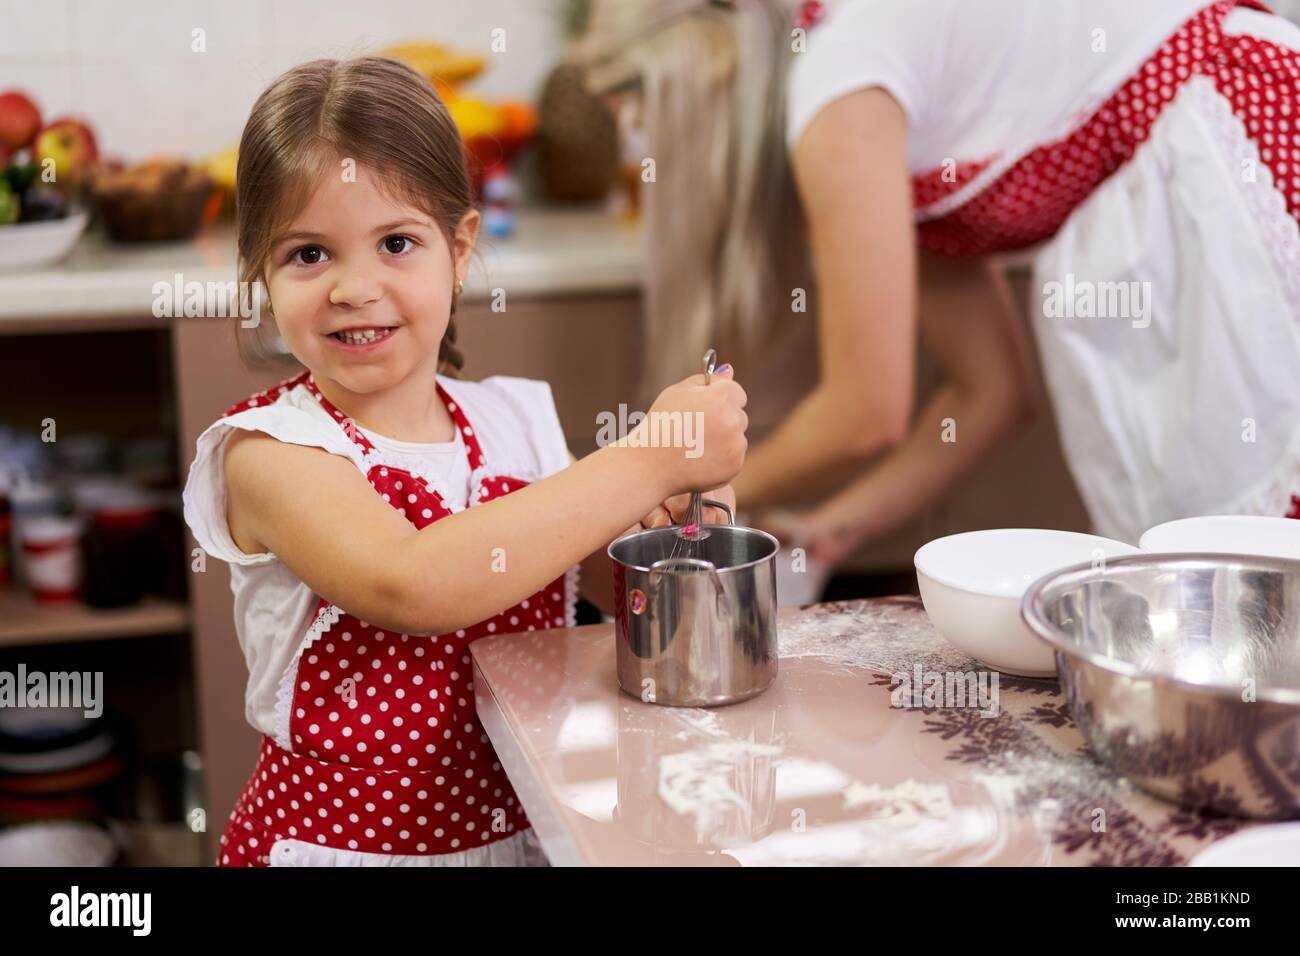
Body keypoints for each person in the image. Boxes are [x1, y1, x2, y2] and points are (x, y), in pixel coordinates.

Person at [181, 56, 747, 866]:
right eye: (308, 254)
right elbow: (413, 583)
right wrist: (649, 459)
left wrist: (687, 503)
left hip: (529, 838)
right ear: (261, 274)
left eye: (397, 242)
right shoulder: (271, 453)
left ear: (459, 248)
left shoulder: (515, 420)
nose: (353, 286)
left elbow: (628, 588)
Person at [579, 0, 1300, 564]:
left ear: (691, 79)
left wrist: (679, 487)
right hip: (1205, 177)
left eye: (638, 120)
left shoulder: (838, 88)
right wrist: (833, 527)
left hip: (1242, 151)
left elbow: (864, 415)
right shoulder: (874, 100)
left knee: (1255, 578)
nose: (643, 153)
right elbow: (988, 393)